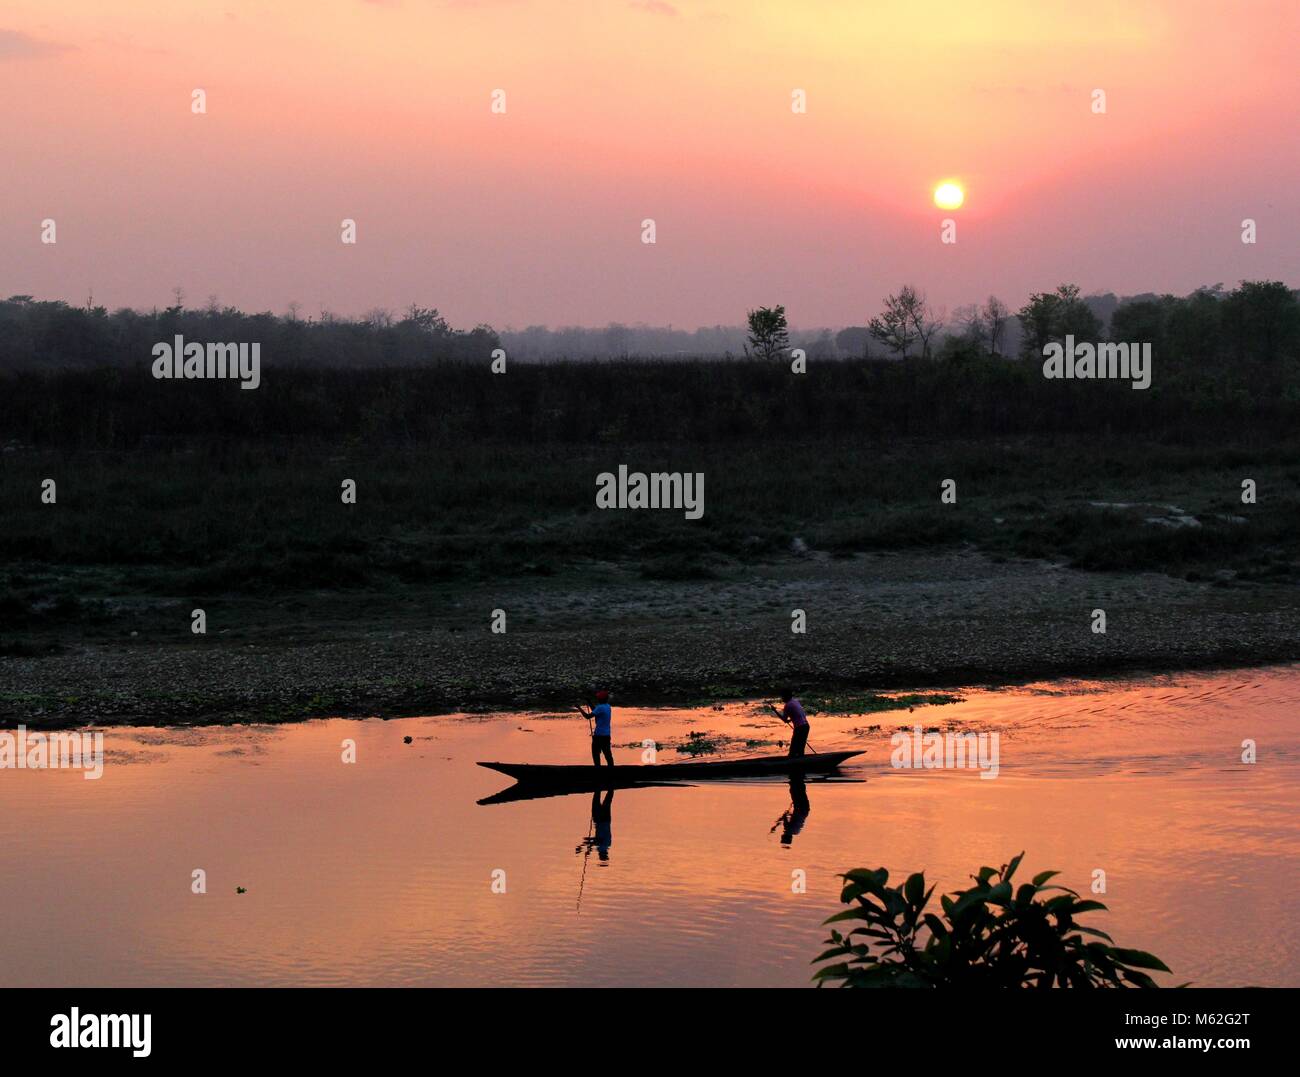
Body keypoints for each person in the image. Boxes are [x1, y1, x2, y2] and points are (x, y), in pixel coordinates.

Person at [578, 690, 615, 766]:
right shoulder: (608, 706)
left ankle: (598, 771)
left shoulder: (600, 707)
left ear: (601, 699)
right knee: (608, 755)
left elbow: (587, 716)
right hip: (607, 735)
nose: (597, 699)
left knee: (595, 754)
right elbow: (596, 711)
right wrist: (589, 702)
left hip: (598, 735)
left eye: (598, 698)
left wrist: (579, 708)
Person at [769, 688, 810, 757]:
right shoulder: (795, 701)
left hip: (799, 728)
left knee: (793, 751)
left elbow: (784, 720)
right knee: (801, 748)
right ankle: (801, 760)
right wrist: (791, 720)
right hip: (806, 726)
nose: (782, 698)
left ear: (786, 696)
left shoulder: (787, 705)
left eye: (783, 696)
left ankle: (795, 762)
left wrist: (775, 711)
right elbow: (799, 714)